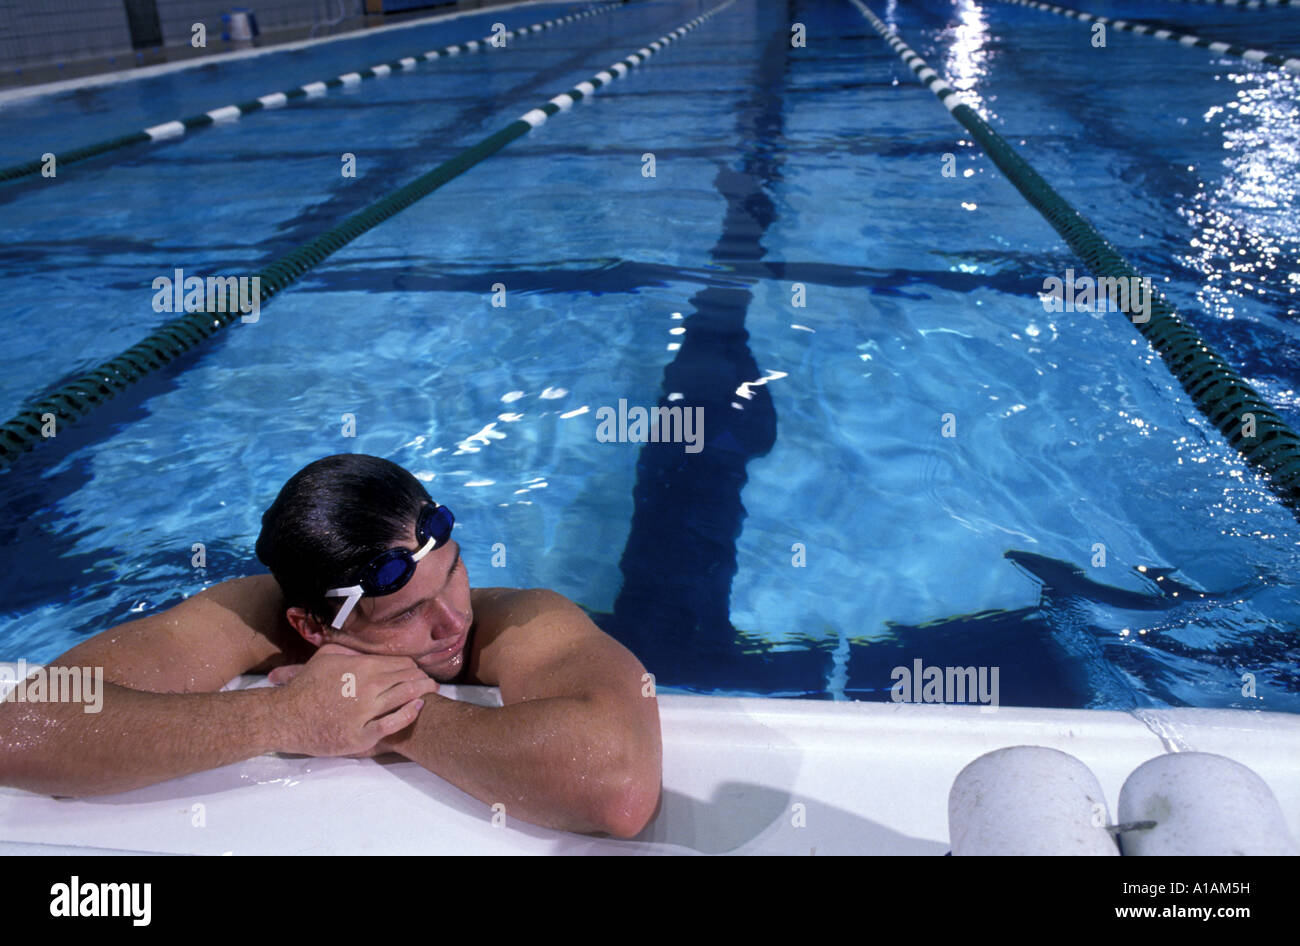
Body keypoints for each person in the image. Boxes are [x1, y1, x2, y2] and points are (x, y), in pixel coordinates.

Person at [0, 454, 662, 838]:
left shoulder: (520, 618)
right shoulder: (249, 613)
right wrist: (279, 718)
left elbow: (618, 788)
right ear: (312, 628)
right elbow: (21, 732)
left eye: (454, 572)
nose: (454, 621)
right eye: (407, 612)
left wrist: (394, 719)